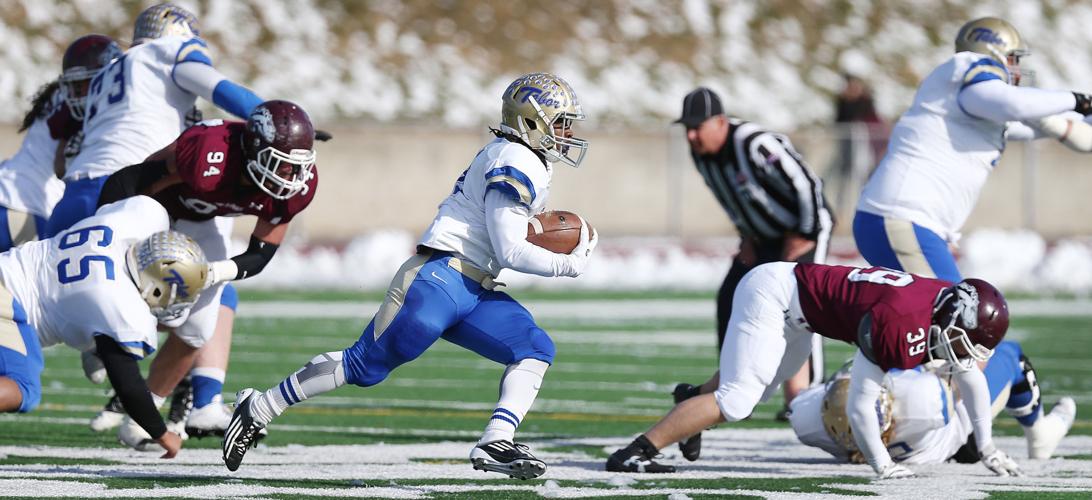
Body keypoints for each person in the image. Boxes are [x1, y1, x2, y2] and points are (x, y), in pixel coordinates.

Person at [221, 72, 597, 479]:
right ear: (531, 120)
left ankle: (496, 440)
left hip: (474, 287)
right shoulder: (515, 157)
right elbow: (510, 249)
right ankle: (260, 406)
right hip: (439, 280)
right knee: (363, 367)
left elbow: (505, 242)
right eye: (561, 121)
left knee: (534, 347)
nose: (568, 131)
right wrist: (568, 263)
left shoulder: (524, 158)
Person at [49, 2, 262, 448]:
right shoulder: (169, 54)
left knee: (40, 302)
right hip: (130, 190)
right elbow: (218, 87)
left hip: (73, 199)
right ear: (178, 34)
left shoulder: (115, 67)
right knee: (191, 288)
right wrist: (270, 116)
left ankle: (106, 349)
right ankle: (168, 381)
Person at [606, 263, 1021, 480]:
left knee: (755, 389)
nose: (966, 354)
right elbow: (861, 404)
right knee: (737, 400)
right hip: (775, 296)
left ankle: (691, 399)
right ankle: (634, 453)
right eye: (965, 340)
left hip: (800, 312)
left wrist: (986, 447)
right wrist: (882, 464)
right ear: (950, 315)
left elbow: (970, 376)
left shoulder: (940, 304)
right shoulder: (897, 323)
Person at [95, 99, 318, 438]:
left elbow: (260, 253)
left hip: (201, 222)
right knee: (135, 299)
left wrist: (212, 273)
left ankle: (143, 416)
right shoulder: (209, 153)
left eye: (295, 166)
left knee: (197, 329)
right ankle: (95, 339)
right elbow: (130, 181)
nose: (290, 176)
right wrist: (106, 233)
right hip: (155, 211)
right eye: (280, 164)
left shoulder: (293, 189)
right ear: (254, 150)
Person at [853, 17, 1092, 283]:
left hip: (900, 220)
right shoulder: (968, 68)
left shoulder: (976, 106)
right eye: (1013, 58)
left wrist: (1079, 113)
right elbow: (1013, 105)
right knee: (951, 314)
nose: (1016, 68)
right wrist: (1077, 99)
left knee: (912, 318)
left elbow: (1081, 136)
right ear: (993, 50)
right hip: (902, 219)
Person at [672, 86, 834, 454]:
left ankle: (805, 398)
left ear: (720, 121)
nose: (692, 135)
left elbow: (807, 184)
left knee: (803, 307)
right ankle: (719, 388)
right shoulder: (703, 153)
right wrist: (746, 235)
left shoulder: (754, 143)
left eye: (698, 127)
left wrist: (803, 234)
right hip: (762, 238)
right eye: (687, 128)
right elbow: (729, 196)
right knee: (731, 298)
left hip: (803, 229)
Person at [0, 195, 209, 459]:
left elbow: (119, 185)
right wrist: (161, 433)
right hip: (9, 300)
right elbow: (128, 384)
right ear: (155, 285)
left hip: (7, 268)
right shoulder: (120, 304)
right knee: (23, 387)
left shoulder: (126, 222)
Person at [45, 2, 263, 238]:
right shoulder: (165, 51)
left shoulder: (108, 72)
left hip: (74, 193)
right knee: (181, 266)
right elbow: (220, 90)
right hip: (124, 189)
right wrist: (273, 118)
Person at [790, 340, 1077, 464]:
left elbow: (806, 400)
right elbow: (968, 375)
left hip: (921, 443)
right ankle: (1039, 434)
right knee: (1007, 352)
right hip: (953, 427)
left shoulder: (813, 423)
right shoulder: (920, 401)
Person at [0, 35, 118, 252]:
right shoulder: (83, 106)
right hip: (27, 206)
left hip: (8, 189)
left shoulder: (59, 94)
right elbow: (60, 165)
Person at [830, 74, 886, 216]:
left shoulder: (865, 102)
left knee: (864, 176)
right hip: (847, 148)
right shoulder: (843, 101)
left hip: (865, 148)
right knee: (843, 177)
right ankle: (841, 211)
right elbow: (839, 121)